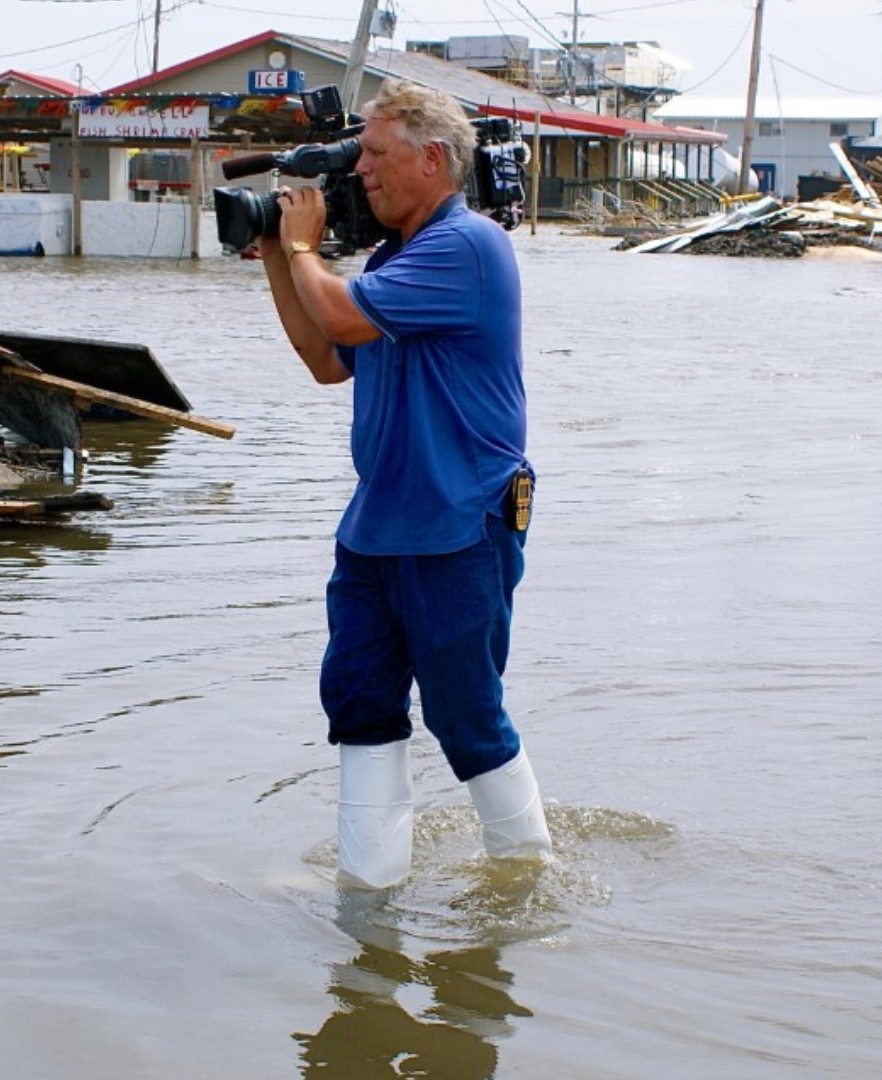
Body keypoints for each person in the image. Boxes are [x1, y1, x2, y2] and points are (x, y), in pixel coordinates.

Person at [257, 81, 552, 890]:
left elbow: (344, 319)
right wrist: (278, 257)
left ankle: (525, 877)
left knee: (464, 715)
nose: (361, 174)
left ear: (433, 158)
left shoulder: (469, 245)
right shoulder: (391, 262)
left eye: (375, 156)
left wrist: (307, 248)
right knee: (359, 703)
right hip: (378, 528)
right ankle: (369, 898)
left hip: (461, 521)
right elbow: (326, 358)